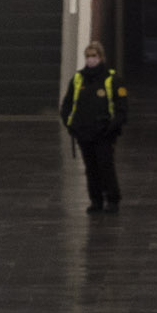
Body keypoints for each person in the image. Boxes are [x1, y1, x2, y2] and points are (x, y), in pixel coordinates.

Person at [59, 41, 126, 212]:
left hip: (104, 133)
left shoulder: (112, 80)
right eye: (88, 56)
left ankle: (112, 199)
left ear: (101, 57)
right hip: (84, 133)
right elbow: (67, 105)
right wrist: (71, 125)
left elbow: (121, 108)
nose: (91, 60)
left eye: (94, 56)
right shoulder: (77, 79)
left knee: (106, 167)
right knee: (91, 169)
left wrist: (111, 127)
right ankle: (95, 200)